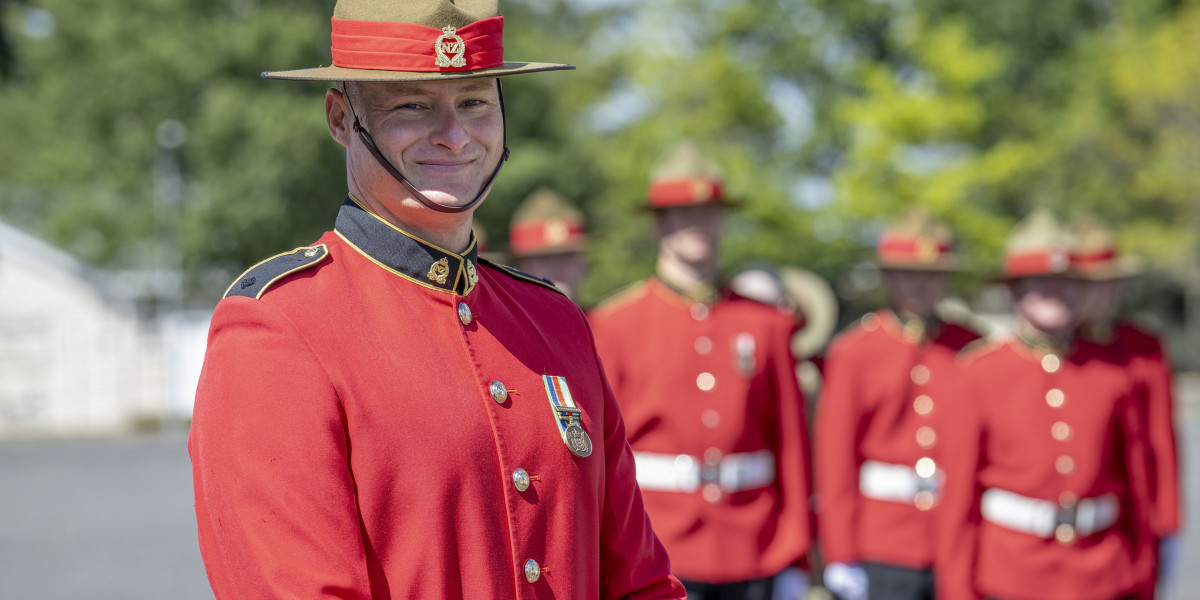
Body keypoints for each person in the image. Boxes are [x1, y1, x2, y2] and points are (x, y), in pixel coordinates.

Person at [187, 1, 686, 598]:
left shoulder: (555, 321)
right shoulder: (279, 324)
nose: (454, 137)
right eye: (412, 105)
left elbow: (639, 583)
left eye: (474, 101)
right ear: (341, 119)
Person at [589, 142, 813, 600]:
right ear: (657, 225)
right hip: (655, 546)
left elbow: (790, 444)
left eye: (709, 211)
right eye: (681, 212)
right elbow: (600, 459)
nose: (698, 224)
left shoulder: (768, 326)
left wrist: (797, 553)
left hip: (756, 546)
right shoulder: (613, 326)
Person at [938, 209, 1155, 600]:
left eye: (1067, 282)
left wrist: (1144, 576)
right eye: (1040, 282)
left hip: (1104, 574)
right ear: (1013, 291)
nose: (1056, 292)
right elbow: (957, 502)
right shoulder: (978, 372)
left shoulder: (1113, 371)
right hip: (1011, 575)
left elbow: (1136, 485)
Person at [814, 209, 982, 600]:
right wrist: (840, 552)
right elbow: (835, 460)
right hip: (883, 539)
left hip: (957, 534)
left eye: (933, 273)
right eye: (909, 273)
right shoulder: (854, 351)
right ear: (887, 276)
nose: (921, 285)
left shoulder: (971, 347)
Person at [1070, 216, 1181, 599]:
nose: (1101, 294)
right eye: (1089, 284)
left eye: (1109, 283)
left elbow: (1161, 441)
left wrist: (1166, 521)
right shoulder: (1057, 352)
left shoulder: (1143, 347)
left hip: (1134, 507)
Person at [507, 186, 589, 301]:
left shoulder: (606, 318)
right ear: (520, 268)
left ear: (582, 265)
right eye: (544, 258)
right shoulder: (498, 319)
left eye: (566, 256)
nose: (558, 267)